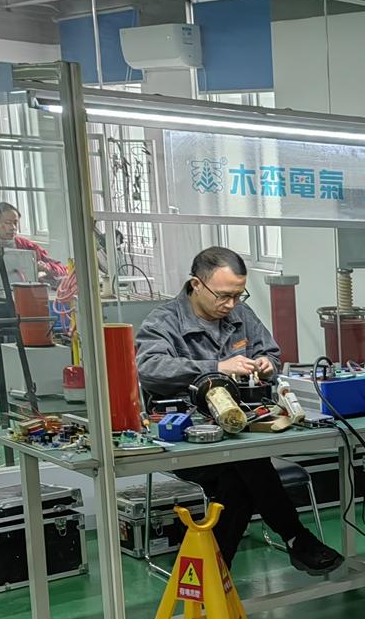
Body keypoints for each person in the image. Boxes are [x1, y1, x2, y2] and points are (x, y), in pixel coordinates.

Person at [136, 247, 343, 576]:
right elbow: (150, 368)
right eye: (224, 296)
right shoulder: (163, 321)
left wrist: (266, 365)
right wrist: (217, 366)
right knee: (245, 469)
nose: (232, 304)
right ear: (196, 284)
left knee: (238, 476)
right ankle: (296, 538)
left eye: (238, 295)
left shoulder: (241, 315)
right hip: (189, 443)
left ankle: (210, 575)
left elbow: (271, 354)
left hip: (241, 432)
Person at [0, 203, 69, 283]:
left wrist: (47, 267)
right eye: (8, 223)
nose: (13, 227)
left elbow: (62, 269)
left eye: (15, 223)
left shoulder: (28, 246)